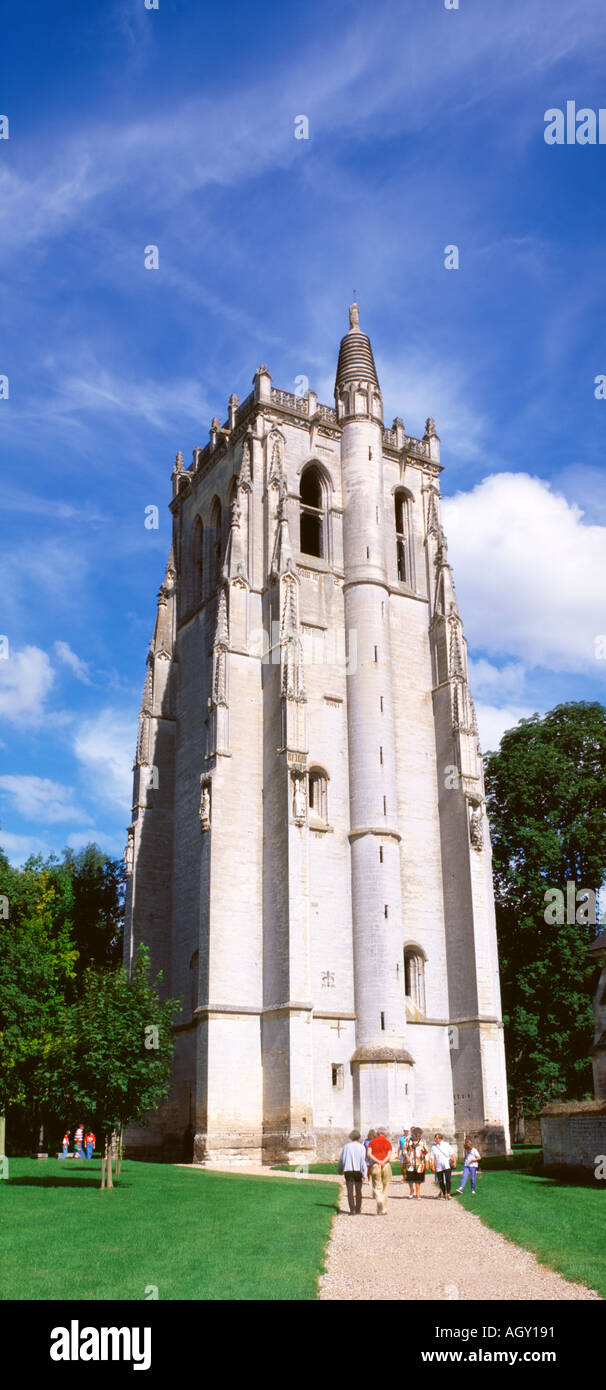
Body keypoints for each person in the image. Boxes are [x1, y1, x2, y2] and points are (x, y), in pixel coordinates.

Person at [338, 1129, 368, 1215]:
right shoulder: (361, 1147)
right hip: (358, 1170)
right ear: (358, 1137)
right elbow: (363, 1161)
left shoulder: (346, 1146)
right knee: (358, 1191)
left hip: (348, 1170)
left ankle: (352, 1209)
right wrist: (364, 1174)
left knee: (350, 1191)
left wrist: (340, 1169)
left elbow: (342, 1159)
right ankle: (358, 1209)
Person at [367, 1127, 393, 1215]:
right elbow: (389, 1155)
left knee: (377, 1187)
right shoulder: (387, 1142)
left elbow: (369, 1154)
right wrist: (383, 1161)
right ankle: (384, 1209)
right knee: (385, 1186)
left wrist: (378, 1161)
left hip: (376, 1165)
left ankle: (380, 1205)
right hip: (386, 1165)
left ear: (377, 1133)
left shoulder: (372, 1142)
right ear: (385, 1134)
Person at [405, 1126, 428, 1199]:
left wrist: (427, 1162)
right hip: (410, 1163)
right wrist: (407, 1156)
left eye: (419, 1136)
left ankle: (418, 1193)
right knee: (410, 1178)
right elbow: (404, 1150)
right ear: (413, 1134)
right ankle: (411, 1190)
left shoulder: (422, 1142)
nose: (418, 1137)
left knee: (418, 1179)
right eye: (416, 1135)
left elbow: (426, 1152)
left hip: (419, 1163)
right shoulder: (408, 1140)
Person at [430, 1132, 455, 1199]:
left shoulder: (446, 1144)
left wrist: (454, 1162)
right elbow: (432, 1157)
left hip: (446, 1164)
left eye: (437, 1138)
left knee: (448, 1179)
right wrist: (432, 1165)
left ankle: (448, 1193)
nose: (435, 1139)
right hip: (438, 1166)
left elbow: (452, 1153)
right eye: (435, 1138)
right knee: (440, 1181)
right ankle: (444, 1193)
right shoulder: (433, 1147)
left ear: (440, 1139)